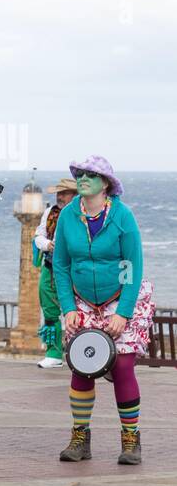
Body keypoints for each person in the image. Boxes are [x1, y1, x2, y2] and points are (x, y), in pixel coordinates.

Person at [55, 156, 152, 466]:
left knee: (122, 366)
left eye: (91, 175)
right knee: (81, 364)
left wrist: (123, 312)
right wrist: (68, 307)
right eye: (80, 174)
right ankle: (80, 438)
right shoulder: (68, 216)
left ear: (105, 183)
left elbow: (132, 266)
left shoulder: (123, 217)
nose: (83, 178)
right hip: (81, 298)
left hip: (120, 296)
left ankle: (130, 438)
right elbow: (61, 264)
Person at [34, 177, 77, 369]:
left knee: (79, 311)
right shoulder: (50, 213)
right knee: (49, 310)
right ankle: (53, 352)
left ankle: (80, 351)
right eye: (59, 193)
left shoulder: (81, 214)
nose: (60, 196)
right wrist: (47, 244)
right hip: (50, 267)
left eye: (64, 192)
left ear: (75, 195)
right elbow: (38, 236)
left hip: (75, 270)